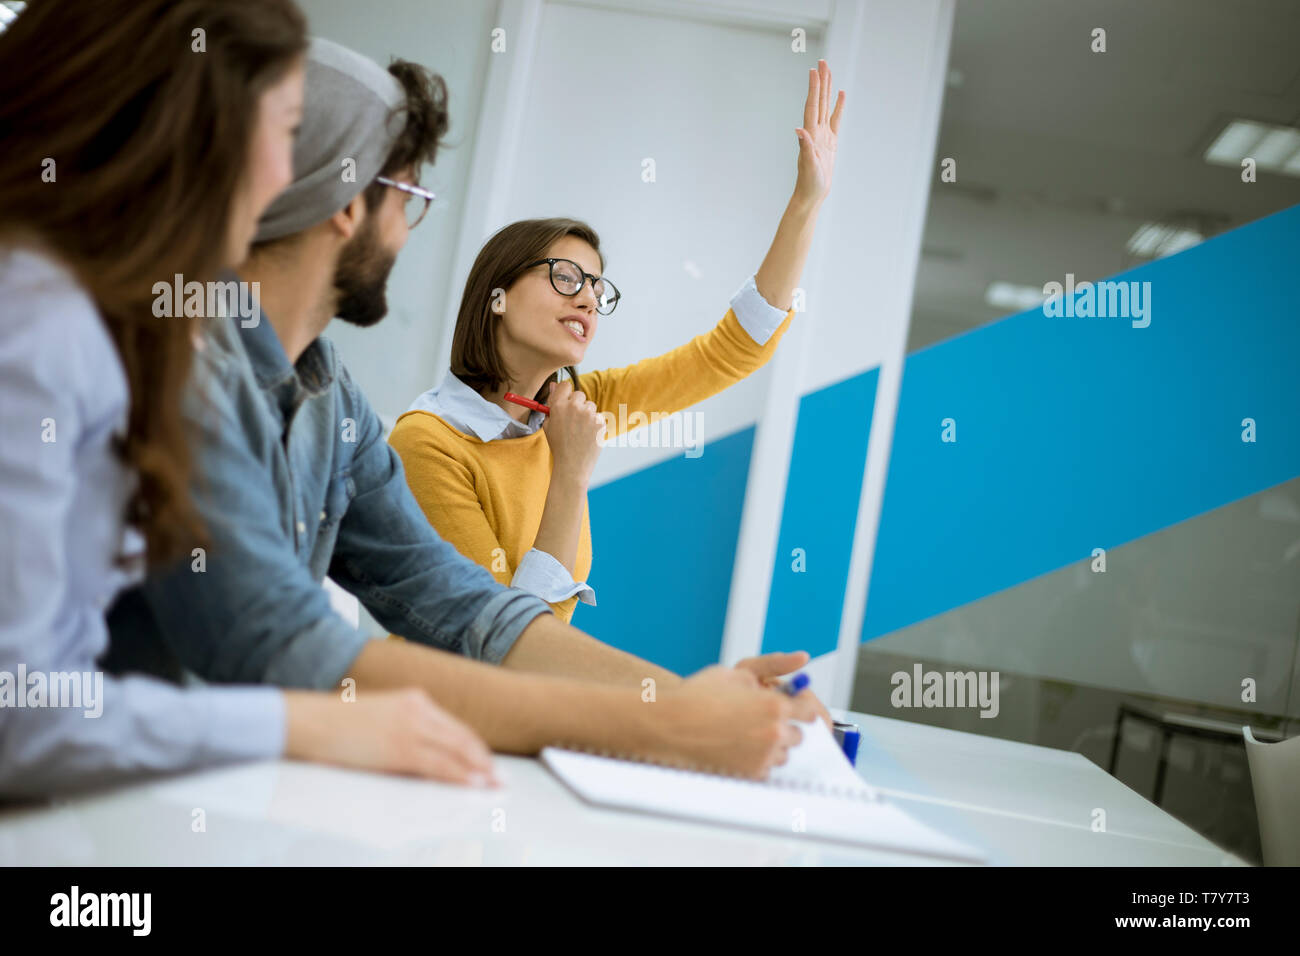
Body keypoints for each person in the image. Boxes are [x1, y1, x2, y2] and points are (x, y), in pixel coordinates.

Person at [111, 38, 827, 780]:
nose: (586, 297)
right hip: (137, 802)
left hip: (254, 786)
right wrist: (667, 724)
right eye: (411, 198)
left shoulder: (336, 400)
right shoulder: (189, 378)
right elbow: (285, 644)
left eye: (597, 285)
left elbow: (468, 610)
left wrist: (697, 706)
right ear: (347, 205)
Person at [0, 0, 497, 798]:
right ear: (186, 132)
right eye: (279, 130)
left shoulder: (119, 325)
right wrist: (307, 723)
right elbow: (19, 713)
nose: (280, 175)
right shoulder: (41, 324)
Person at [390, 62, 845, 624]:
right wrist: (571, 474)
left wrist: (807, 202)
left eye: (596, 287)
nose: (586, 299)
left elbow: (733, 350)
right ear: (497, 295)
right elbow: (503, 641)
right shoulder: (428, 443)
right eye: (565, 277)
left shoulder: (577, 409)